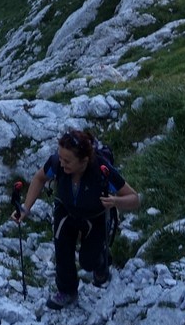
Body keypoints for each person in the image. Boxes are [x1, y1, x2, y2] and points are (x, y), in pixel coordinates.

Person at [13, 129, 140, 309]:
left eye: (67, 161)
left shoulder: (101, 170)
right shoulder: (56, 163)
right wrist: (25, 208)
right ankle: (67, 291)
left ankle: (101, 262)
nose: (62, 164)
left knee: (87, 262)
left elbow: (134, 199)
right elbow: (40, 178)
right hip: (65, 211)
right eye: (61, 158)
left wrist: (115, 202)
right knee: (62, 249)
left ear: (84, 161)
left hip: (94, 217)